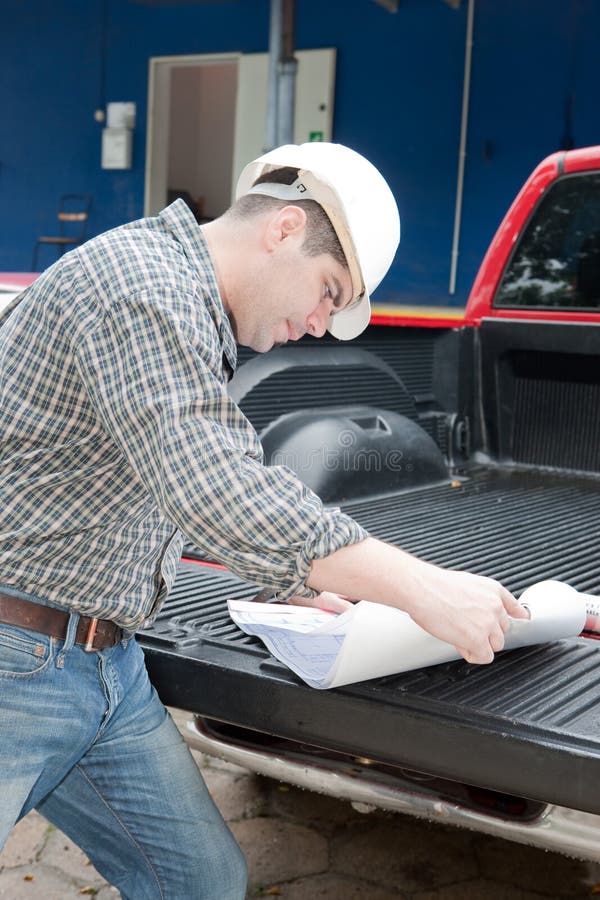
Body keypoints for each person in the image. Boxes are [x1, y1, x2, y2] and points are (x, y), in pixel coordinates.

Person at [0, 142, 527, 899]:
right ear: (282, 229)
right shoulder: (139, 285)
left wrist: (289, 578)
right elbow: (215, 485)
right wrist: (424, 588)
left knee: (204, 881)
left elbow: (149, 478)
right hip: (15, 664)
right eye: (327, 290)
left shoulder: (187, 304)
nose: (318, 324)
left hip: (104, 667)